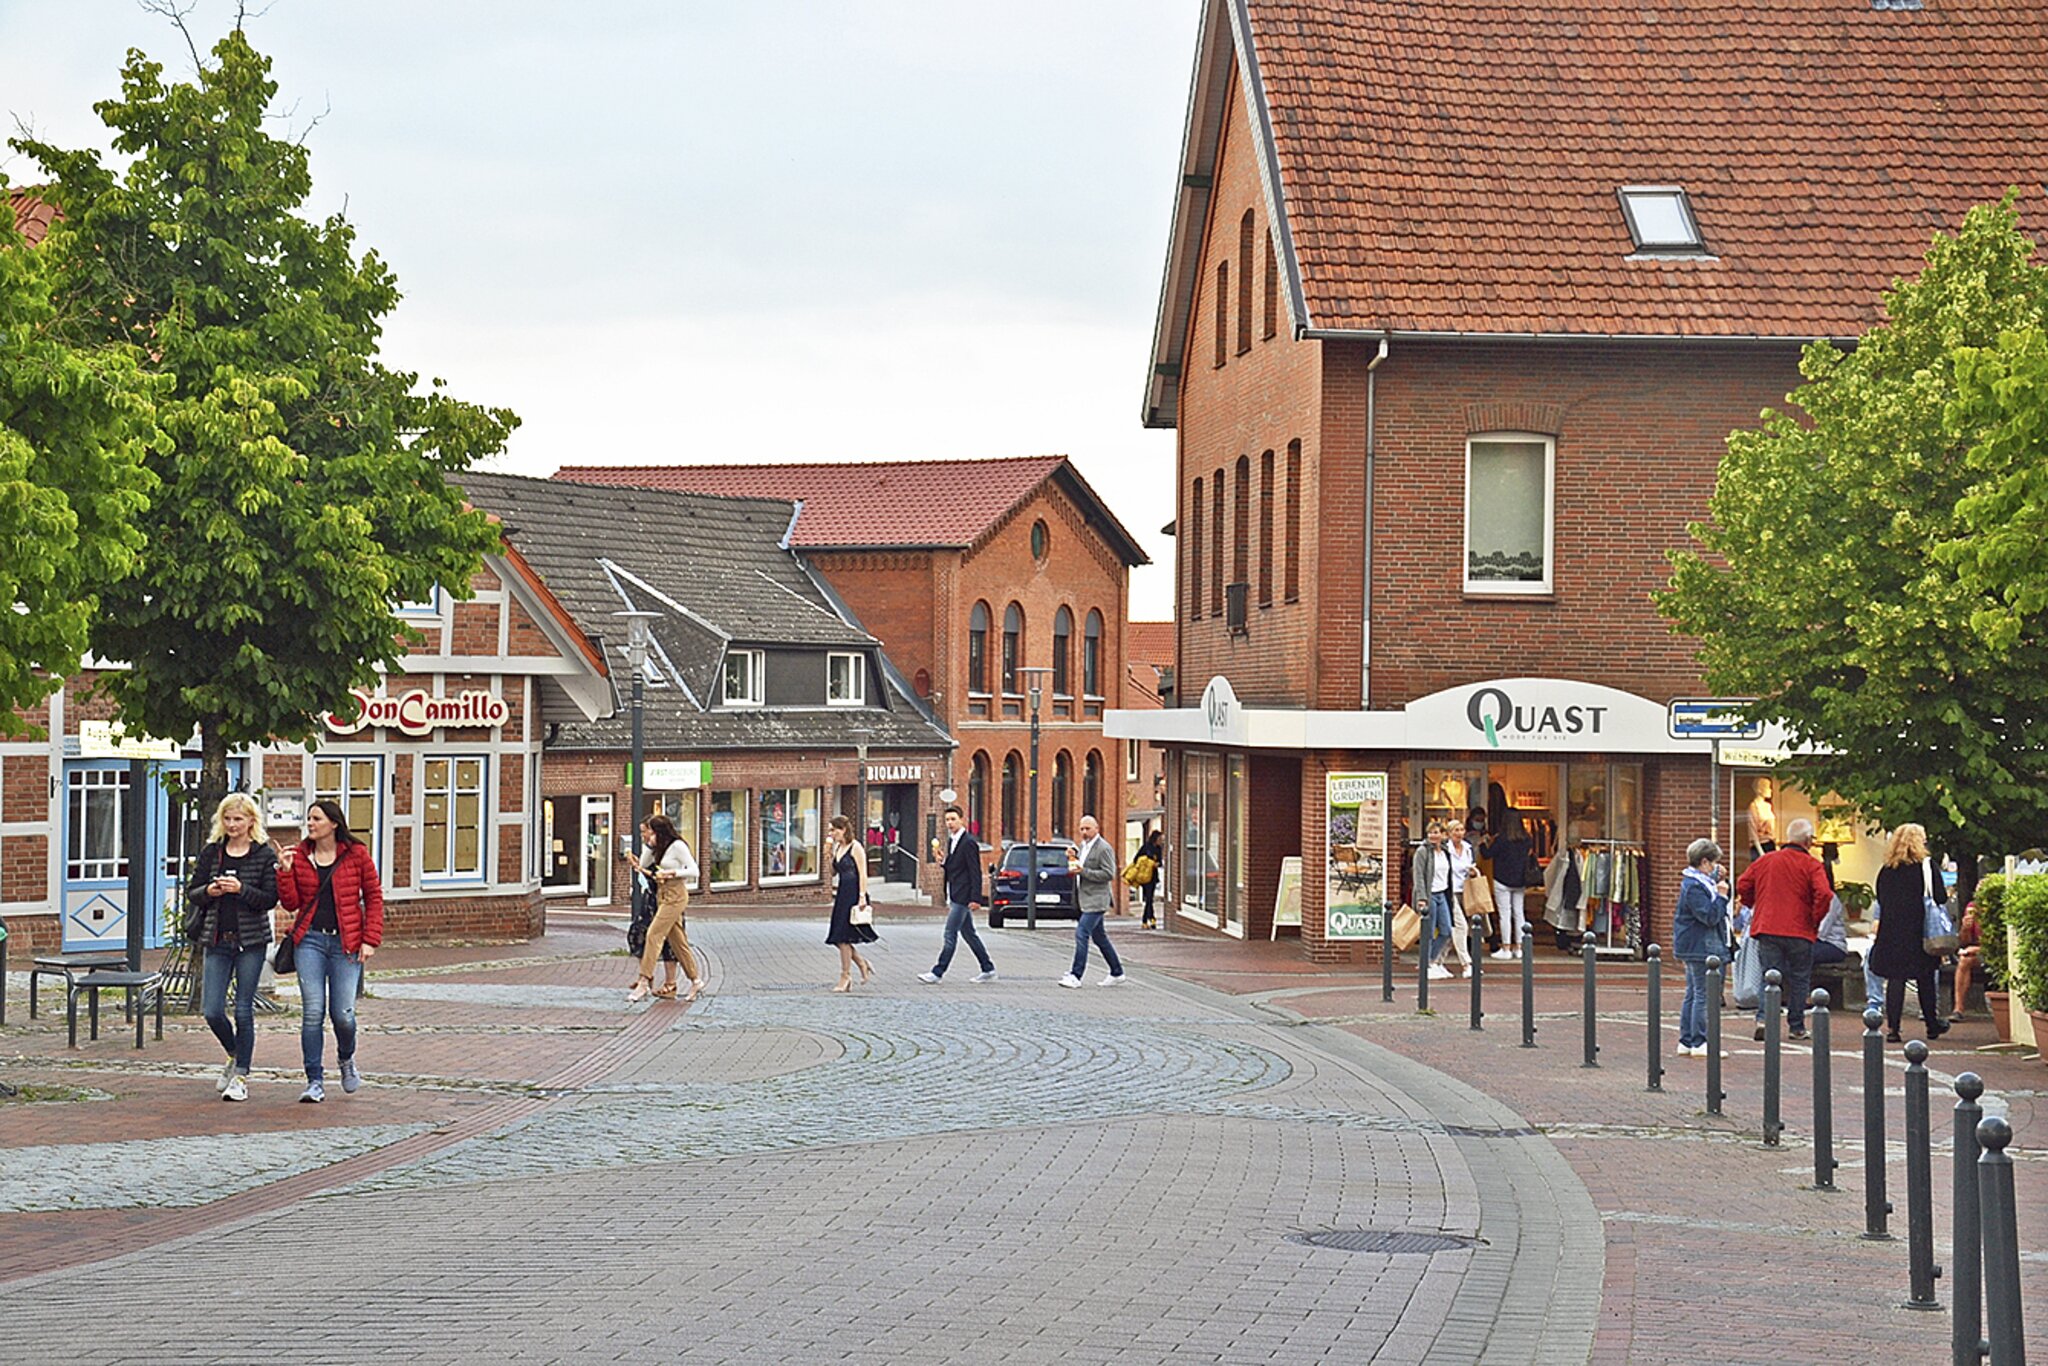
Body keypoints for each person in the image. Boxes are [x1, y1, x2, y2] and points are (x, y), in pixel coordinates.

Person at [276, 798, 383, 1104]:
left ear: (334, 824)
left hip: (346, 943)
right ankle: (314, 1080)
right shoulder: (300, 856)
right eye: (309, 819)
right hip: (309, 941)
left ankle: (346, 1058)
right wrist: (285, 872)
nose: (310, 824)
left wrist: (370, 939)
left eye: (317, 819)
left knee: (343, 1014)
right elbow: (291, 903)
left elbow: (374, 896)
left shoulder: (356, 854)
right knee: (312, 1012)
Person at [185, 793, 279, 1102]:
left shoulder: (263, 854)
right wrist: (210, 891)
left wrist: (242, 889)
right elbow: (193, 891)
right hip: (217, 939)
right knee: (212, 1010)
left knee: (242, 1009)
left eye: (238, 819)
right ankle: (234, 1053)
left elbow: (270, 899)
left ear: (251, 821)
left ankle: (241, 1075)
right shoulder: (212, 852)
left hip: (250, 941)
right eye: (227, 818)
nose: (232, 824)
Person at [1735, 816, 1833, 1041]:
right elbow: (1824, 894)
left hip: (1768, 926)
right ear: (1808, 841)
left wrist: (1752, 902)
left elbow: (1743, 884)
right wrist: (1814, 918)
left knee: (1769, 975)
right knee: (1799, 978)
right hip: (1799, 929)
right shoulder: (1811, 865)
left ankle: (1764, 1019)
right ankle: (1796, 1026)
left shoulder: (1766, 860)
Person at [1869, 822, 1950, 1044]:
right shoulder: (1926, 867)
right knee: (1925, 977)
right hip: (1919, 930)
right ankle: (1931, 1025)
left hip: (1892, 932)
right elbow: (1940, 897)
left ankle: (1893, 1028)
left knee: (1895, 979)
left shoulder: (1887, 870)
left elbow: (1881, 899)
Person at [626, 813, 703, 1004]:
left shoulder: (677, 846)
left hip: (676, 895)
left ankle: (644, 981)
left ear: (659, 831)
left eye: (650, 832)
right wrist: (649, 846)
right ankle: (695, 980)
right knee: (678, 941)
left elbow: (694, 870)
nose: (647, 836)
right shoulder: (658, 847)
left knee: (654, 934)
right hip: (662, 894)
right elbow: (643, 864)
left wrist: (672, 873)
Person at [920, 805, 995, 984]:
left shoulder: (968, 842)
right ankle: (988, 968)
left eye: (953, 819)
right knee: (969, 933)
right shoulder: (952, 840)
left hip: (963, 895)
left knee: (950, 933)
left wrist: (976, 898)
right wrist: (943, 861)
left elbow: (975, 871)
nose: (950, 823)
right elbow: (956, 867)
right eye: (947, 820)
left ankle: (937, 972)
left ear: (962, 820)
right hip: (955, 892)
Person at [1672, 839, 1731, 1058]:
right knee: (1702, 995)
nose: (1716, 867)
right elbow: (1710, 916)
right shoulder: (1694, 886)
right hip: (1701, 946)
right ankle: (1699, 1041)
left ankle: (1686, 1040)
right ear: (1704, 862)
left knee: (1693, 992)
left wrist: (1719, 880)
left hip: (1694, 945)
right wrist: (1722, 896)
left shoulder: (1697, 882)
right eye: (1713, 863)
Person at [1061, 814, 1127, 987]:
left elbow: (1109, 873)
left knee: (1081, 933)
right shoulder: (1083, 846)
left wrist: (1084, 872)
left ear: (1096, 829)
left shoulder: (1103, 848)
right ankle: (1117, 972)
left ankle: (1076, 975)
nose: (1084, 832)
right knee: (1099, 937)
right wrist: (1073, 856)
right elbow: (1080, 864)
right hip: (1085, 898)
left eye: (1087, 828)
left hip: (1097, 899)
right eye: (1082, 828)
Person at [824, 814, 877, 992]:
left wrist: (862, 896)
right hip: (842, 894)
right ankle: (862, 963)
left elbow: (863, 873)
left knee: (844, 937)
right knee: (838, 936)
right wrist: (828, 856)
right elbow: (833, 873)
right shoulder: (838, 847)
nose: (831, 834)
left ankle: (845, 976)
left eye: (833, 830)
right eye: (830, 830)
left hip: (854, 893)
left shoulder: (856, 847)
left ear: (843, 829)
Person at [1483, 813, 1533, 960]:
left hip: (1502, 879)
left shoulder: (1501, 839)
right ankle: (1519, 947)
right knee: (1519, 913)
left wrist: (1482, 843)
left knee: (1505, 914)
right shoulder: (1526, 839)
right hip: (1520, 880)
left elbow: (1487, 854)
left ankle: (1506, 947)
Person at [1411, 821, 1454, 978]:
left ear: (1443, 835)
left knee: (1446, 930)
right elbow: (1418, 876)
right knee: (1428, 933)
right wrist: (1421, 898)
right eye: (1430, 832)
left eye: (1436, 832)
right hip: (1429, 895)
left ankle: (1431, 960)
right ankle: (1426, 966)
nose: (1433, 836)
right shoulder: (1422, 851)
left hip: (1442, 895)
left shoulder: (1445, 852)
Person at [1442, 820, 1478, 979]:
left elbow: (1471, 866)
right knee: (1461, 926)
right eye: (1455, 830)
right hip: (1449, 891)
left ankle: (1435, 961)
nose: (1459, 833)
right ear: (1449, 833)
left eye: (1461, 830)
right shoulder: (1445, 849)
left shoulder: (1468, 849)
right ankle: (1466, 964)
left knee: (1452, 931)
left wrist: (1473, 872)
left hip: (1465, 891)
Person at [1954, 901, 1982, 1018]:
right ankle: (1958, 1008)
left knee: (1968, 956)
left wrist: (1979, 949)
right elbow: (1964, 941)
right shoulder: (1972, 907)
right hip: (1976, 953)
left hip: (1994, 952)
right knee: (1964, 961)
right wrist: (1965, 928)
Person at [1136, 827, 1165, 928]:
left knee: (1149, 899)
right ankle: (1150, 919)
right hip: (1145, 876)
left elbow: (1160, 862)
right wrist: (1147, 863)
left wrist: (1157, 864)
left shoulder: (1158, 849)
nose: (1161, 841)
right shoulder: (1146, 847)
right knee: (1149, 898)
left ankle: (1147, 919)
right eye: (1160, 839)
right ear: (1155, 838)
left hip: (1153, 877)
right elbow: (1137, 859)